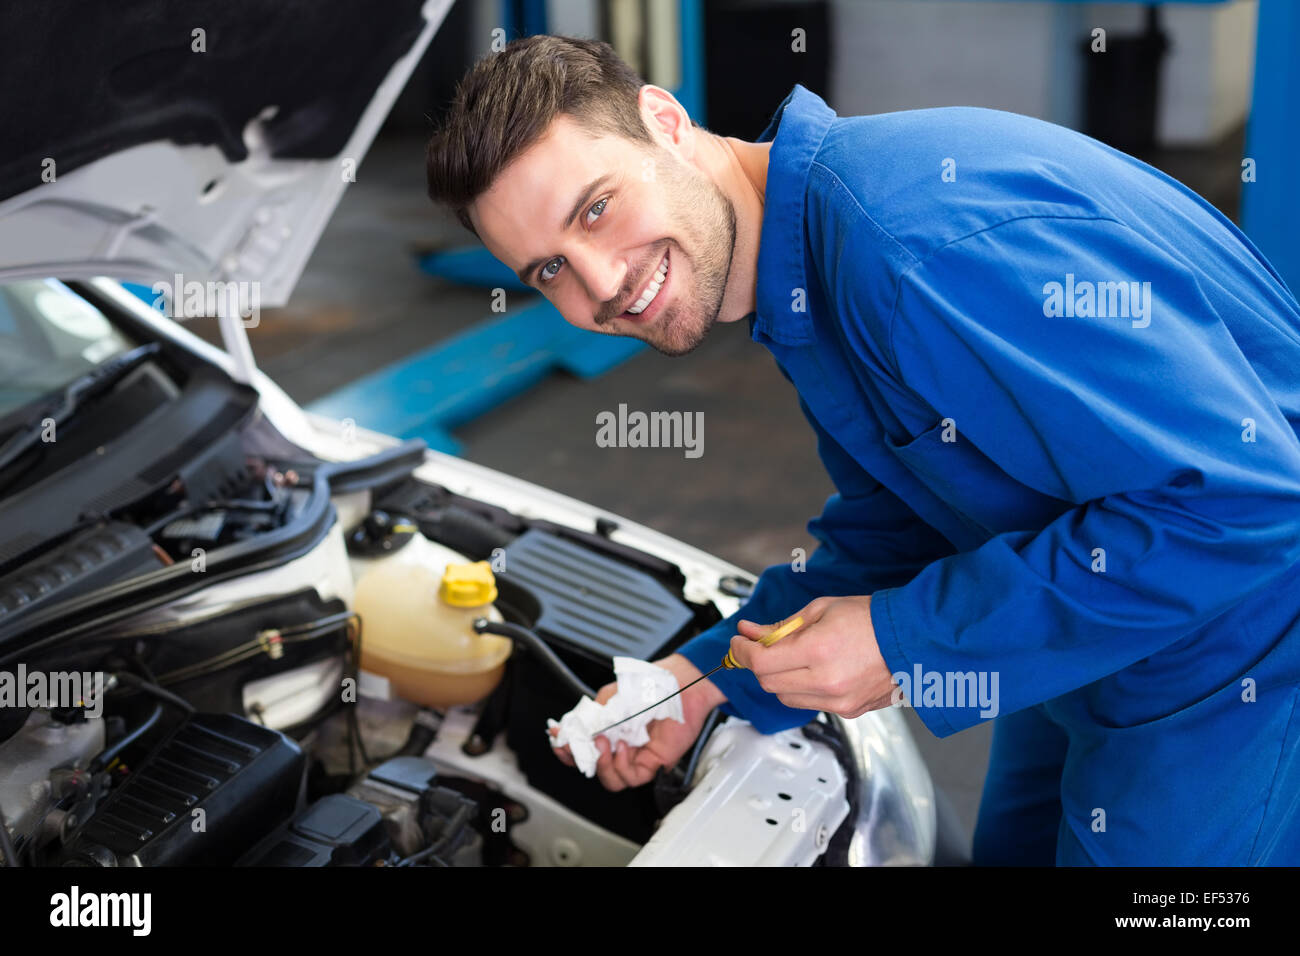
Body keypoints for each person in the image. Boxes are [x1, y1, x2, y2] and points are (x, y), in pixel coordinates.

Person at [424, 35, 1300, 865]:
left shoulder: (909, 252)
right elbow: (903, 520)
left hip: (1238, 647)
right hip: (1086, 609)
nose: (601, 283)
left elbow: (1249, 501)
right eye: (547, 271)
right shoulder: (807, 269)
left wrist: (906, 640)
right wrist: (707, 678)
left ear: (664, 120)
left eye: (598, 208)